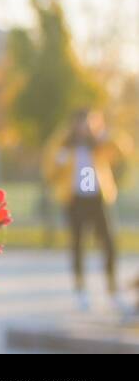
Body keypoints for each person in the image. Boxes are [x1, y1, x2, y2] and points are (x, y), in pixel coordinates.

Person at [42, 108, 131, 313]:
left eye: (90, 123)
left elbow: (124, 149)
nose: (85, 128)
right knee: (78, 245)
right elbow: (49, 169)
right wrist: (60, 158)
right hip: (75, 200)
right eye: (82, 123)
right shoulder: (65, 144)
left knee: (109, 243)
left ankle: (113, 290)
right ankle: (81, 290)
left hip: (97, 197)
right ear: (74, 124)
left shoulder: (99, 145)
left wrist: (103, 133)